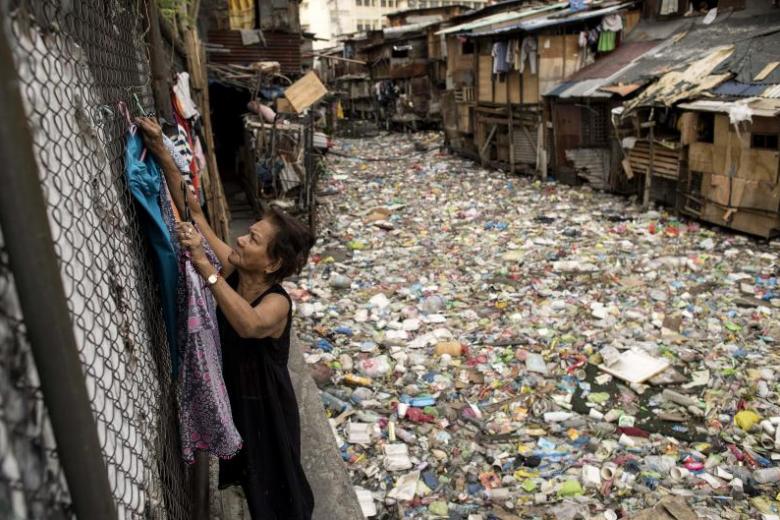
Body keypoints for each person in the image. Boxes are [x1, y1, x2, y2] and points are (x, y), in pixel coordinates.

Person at [136, 117, 315, 519]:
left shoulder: (277, 303)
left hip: (267, 409)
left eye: (253, 239)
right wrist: (162, 152)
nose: (239, 238)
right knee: (248, 480)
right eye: (248, 232)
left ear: (272, 263)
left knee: (279, 493)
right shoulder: (234, 270)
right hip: (234, 397)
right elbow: (194, 212)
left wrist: (205, 265)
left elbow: (248, 324)